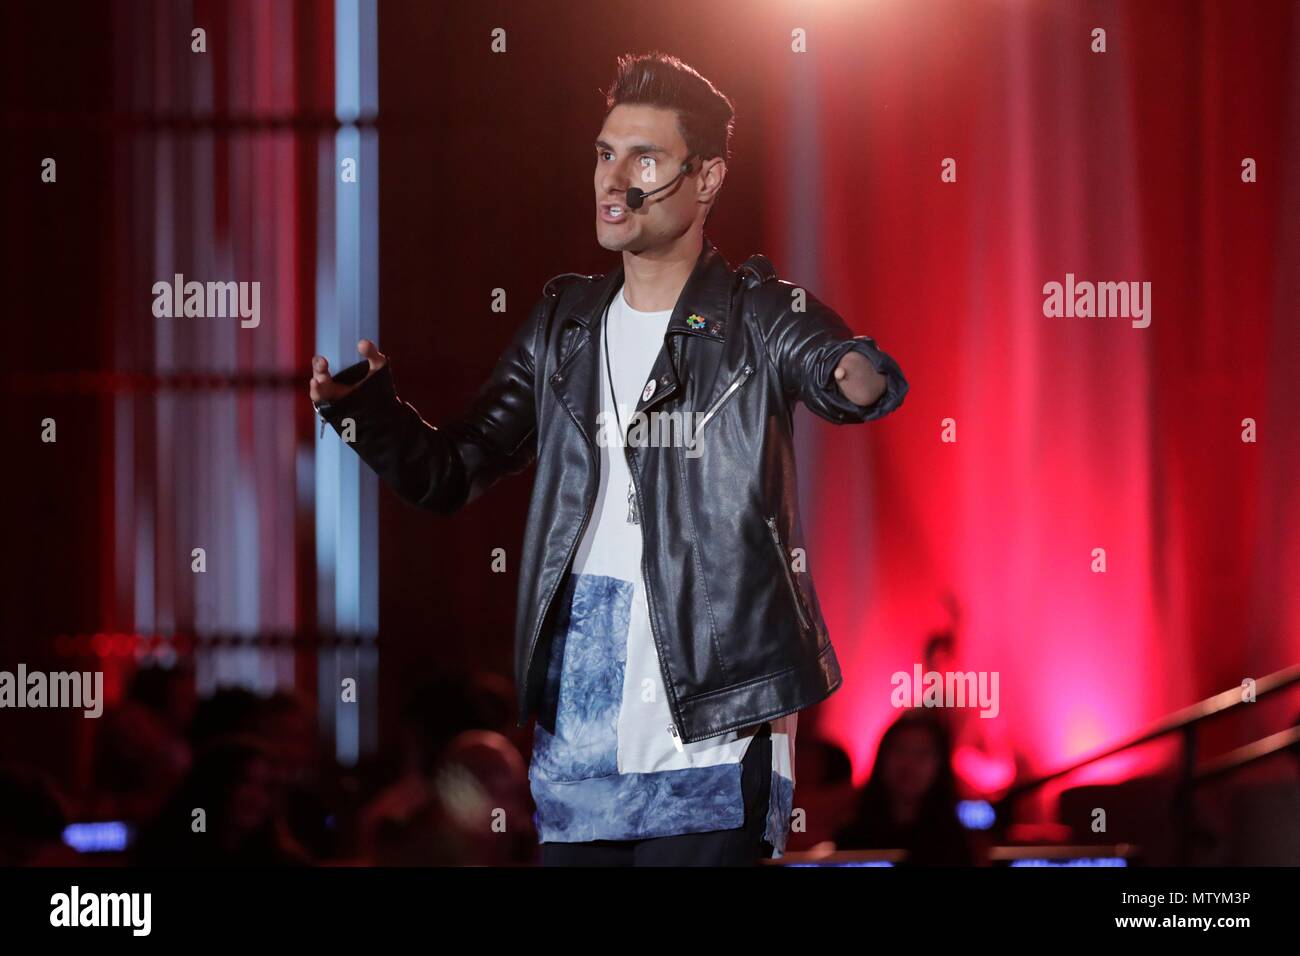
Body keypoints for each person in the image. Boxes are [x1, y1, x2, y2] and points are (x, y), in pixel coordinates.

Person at [309, 52, 908, 866]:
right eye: (604, 153)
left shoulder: (754, 314)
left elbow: (832, 365)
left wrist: (855, 374)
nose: (614, 180)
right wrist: (365, 416)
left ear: (707, 179)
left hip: (713, 709)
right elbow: (455, 471)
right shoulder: (566, 325)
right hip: (582, 707)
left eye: (646, 159)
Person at [834, 710, 975, 865]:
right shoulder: (851, 836)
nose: (908, 764)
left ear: (939, 766)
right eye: (899, 750)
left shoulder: (953, 841)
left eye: (921, 754)